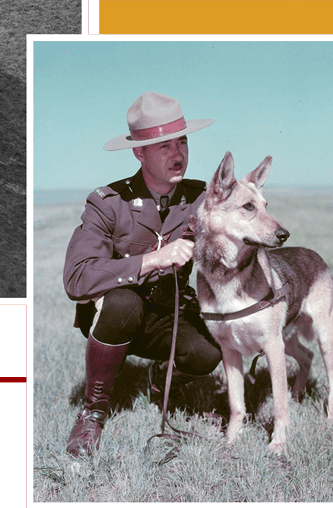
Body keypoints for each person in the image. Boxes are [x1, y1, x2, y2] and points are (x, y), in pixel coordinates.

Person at [61, 91, 221, 458]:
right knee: (123, 303)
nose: (178, 154)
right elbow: (77, 279)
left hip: (169, 316)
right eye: (164, 146)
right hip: (115, 319)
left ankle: (160, 379)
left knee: (207, 352)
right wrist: (152, 260)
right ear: (139, 153)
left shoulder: (200, 199)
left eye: (182, 141)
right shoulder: (108, 202)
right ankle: (93, 412)